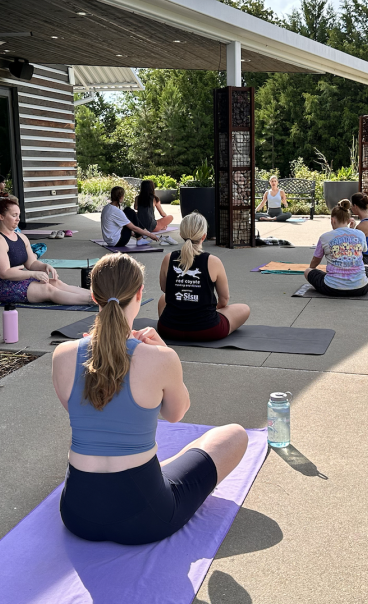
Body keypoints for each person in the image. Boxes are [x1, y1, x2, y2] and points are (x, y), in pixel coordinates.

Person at [52, 253, 248, 545]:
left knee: (171, 459)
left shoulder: (63, 354)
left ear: (94, 297)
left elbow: (83, 410)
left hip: (77, 514)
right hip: (145, 516)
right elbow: (176, 414)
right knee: (233, 435)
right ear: (140, 293)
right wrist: (165, 353)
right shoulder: (160, 357)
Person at [157, 212, 250, 341]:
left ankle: (177, 321)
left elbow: (165, 289)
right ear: (204, 236)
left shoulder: (168, 258)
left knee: (163, 298)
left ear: (181, 235)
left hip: (169, 329)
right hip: (208, 330)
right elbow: (224, 300)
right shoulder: (213, 261)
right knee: (244, 309)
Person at [0, 198, 92, 305]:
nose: (18, 219)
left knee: (56, 283)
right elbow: (4, 273)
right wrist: (34, 274)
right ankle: (92, 301)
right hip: (1, 286)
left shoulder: (22, 237)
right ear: (1, 217)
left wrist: (44, 266)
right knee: (48, 289)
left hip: (19, 279)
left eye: (19, 215)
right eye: (14, 215)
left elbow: (31, 263)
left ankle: (97, 295)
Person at [305, 199, 368, 297]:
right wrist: (352, 230)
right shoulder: (360, 234)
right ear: (349, 220)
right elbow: (364, 250)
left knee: (308, 271)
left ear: (333, 220)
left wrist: (312, 269)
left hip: (332, 288)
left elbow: (316, 260)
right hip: (361, 288)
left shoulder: (325, 237)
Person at [349, 192, 368, 270]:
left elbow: (350, 245)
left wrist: (350, 230)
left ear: (355, 206)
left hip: (367, 260)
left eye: (351, 205)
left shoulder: (363, 225)